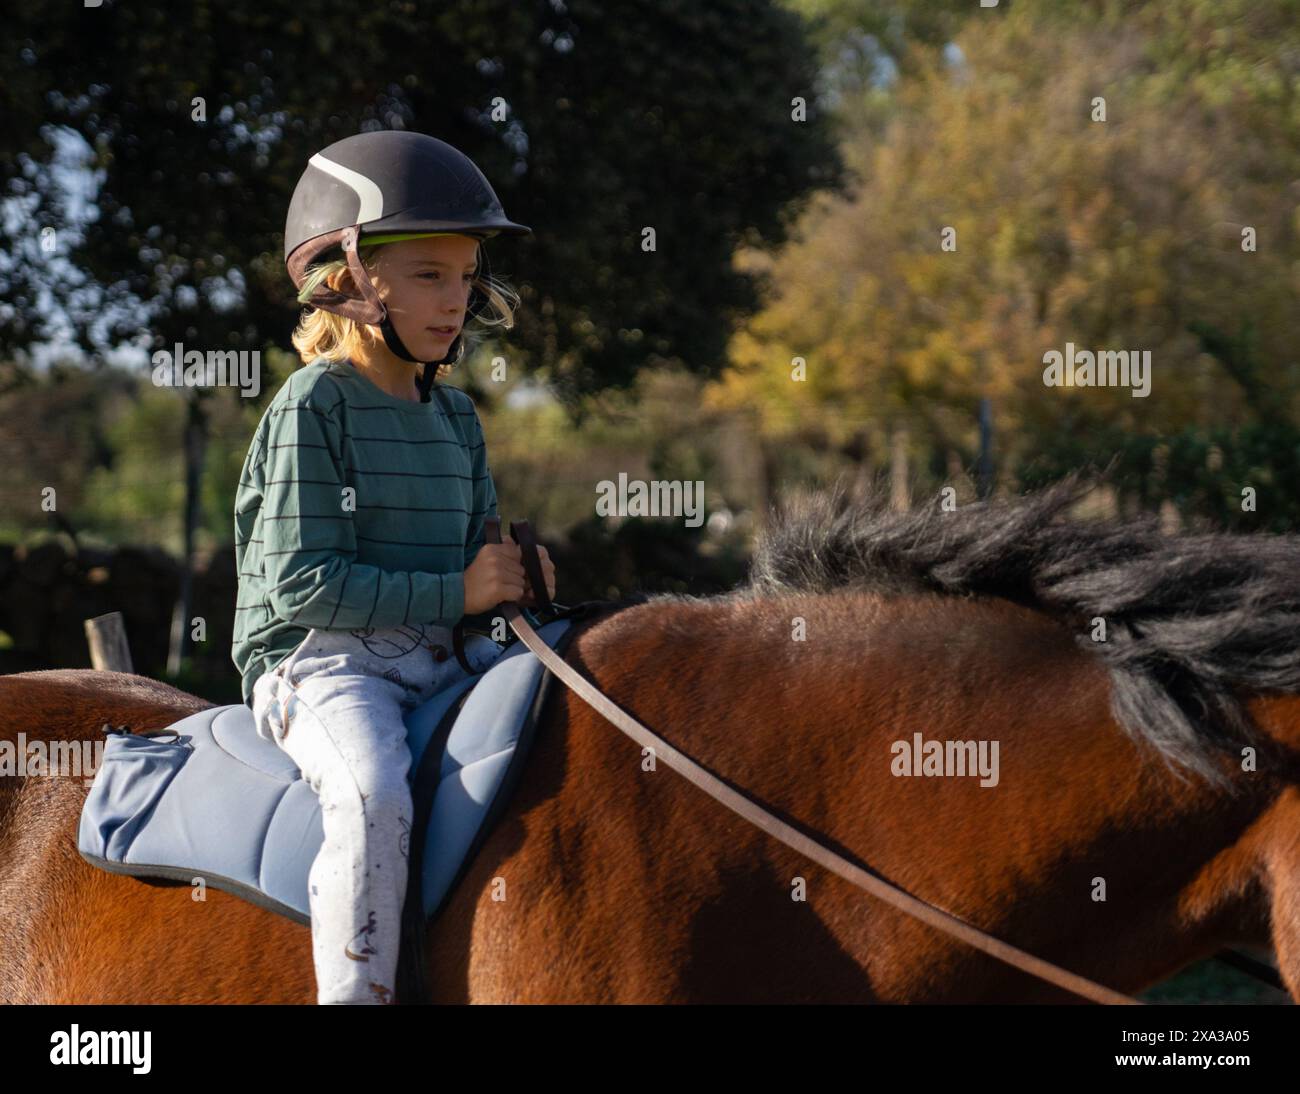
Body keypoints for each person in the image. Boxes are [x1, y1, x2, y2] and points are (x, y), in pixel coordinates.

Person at [231, 131, 556, 1004]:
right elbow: (305, 585)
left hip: (439, 655)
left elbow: (476, 575)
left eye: (465, 276)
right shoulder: (313, 404)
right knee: (375, 793)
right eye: (428, 275)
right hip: (322, 666)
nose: (456, 301)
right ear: (344, 279)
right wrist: (459, 590)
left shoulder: (454, 418)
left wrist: (517, 577)